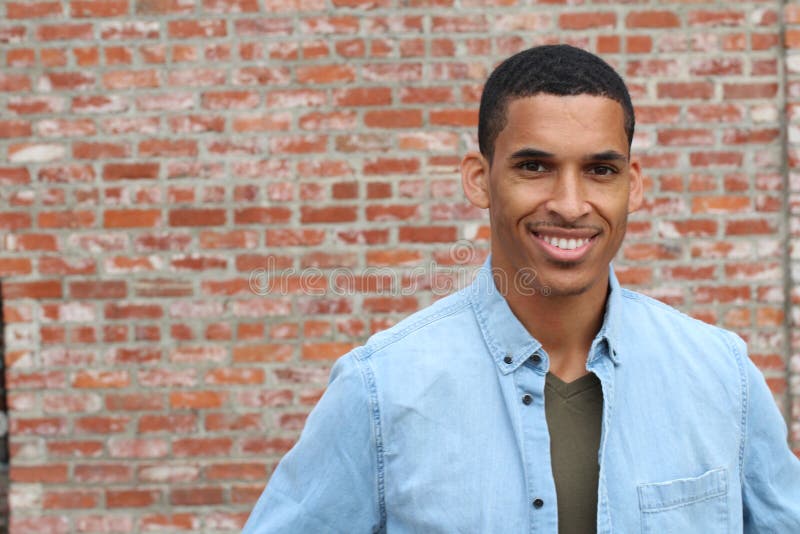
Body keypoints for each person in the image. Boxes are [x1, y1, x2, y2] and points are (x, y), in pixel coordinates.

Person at [243, 44, 800, 533]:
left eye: (600, 171)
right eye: (534, 167)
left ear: (633, 184)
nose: (569, 203)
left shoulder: (722, 377)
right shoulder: (380, 390)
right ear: (479, 179)